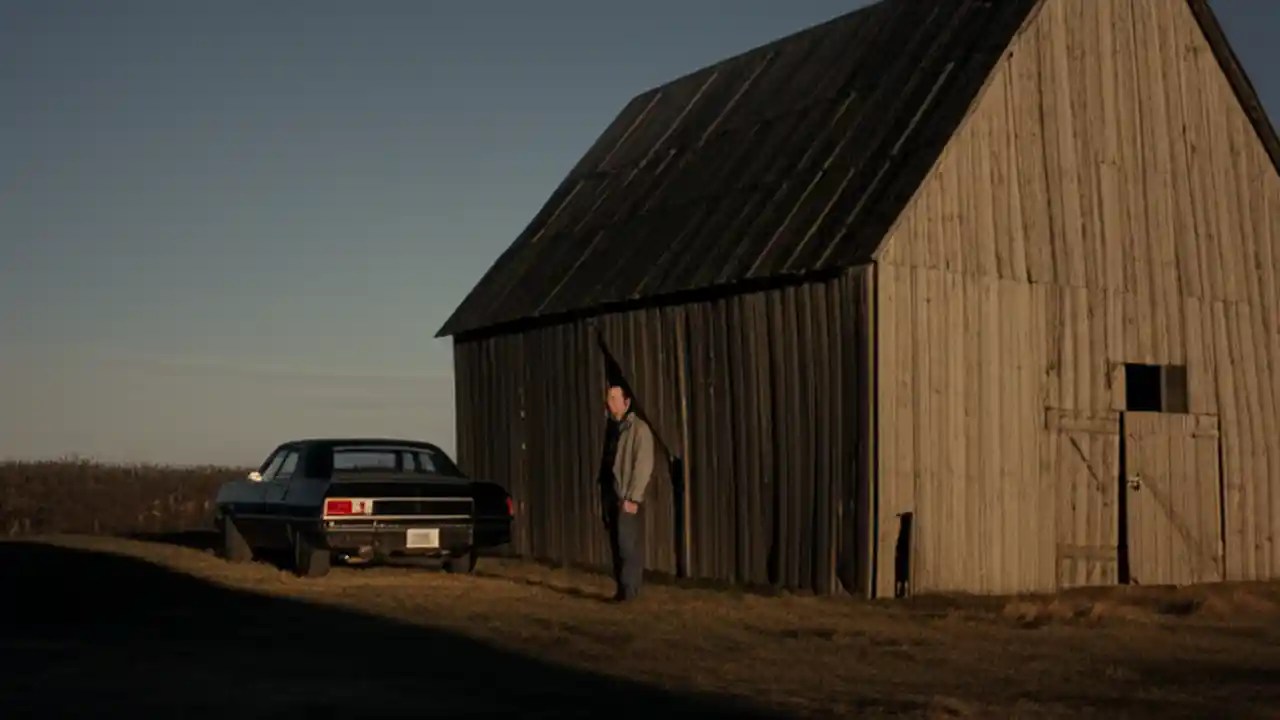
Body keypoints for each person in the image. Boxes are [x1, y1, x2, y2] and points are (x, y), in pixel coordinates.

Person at [603, 382, 654, 602]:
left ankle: (630, 592)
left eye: (614, 399)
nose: (610, 403)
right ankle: (622, 590)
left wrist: (633, 497)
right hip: (612, 495)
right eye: (608, 398)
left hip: (626, 497)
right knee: (616, 543)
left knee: (627, 545)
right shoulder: (613, 428)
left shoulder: (639, 430)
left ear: (627, 402)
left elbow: (642, 465)